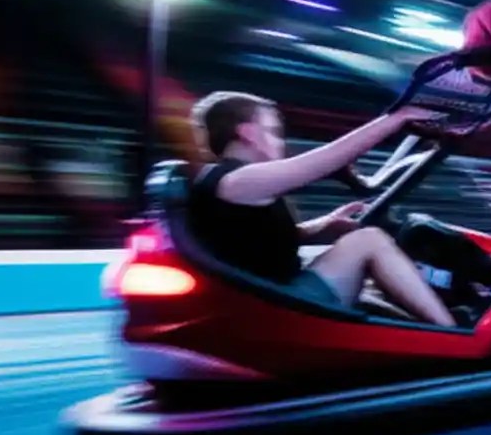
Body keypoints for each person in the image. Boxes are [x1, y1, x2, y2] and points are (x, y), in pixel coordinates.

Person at [186, 90, 458, 327]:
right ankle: (455, 336)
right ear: (247, 133)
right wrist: (398, 117)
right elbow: (328, 158)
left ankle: (431, 327)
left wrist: (323, 226)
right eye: (273, 131)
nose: (280, 141)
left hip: (274, 293)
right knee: (369, 240)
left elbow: (252, 240)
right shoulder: (236, 181)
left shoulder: (236, 182)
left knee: (371, 282)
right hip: (279, 309)